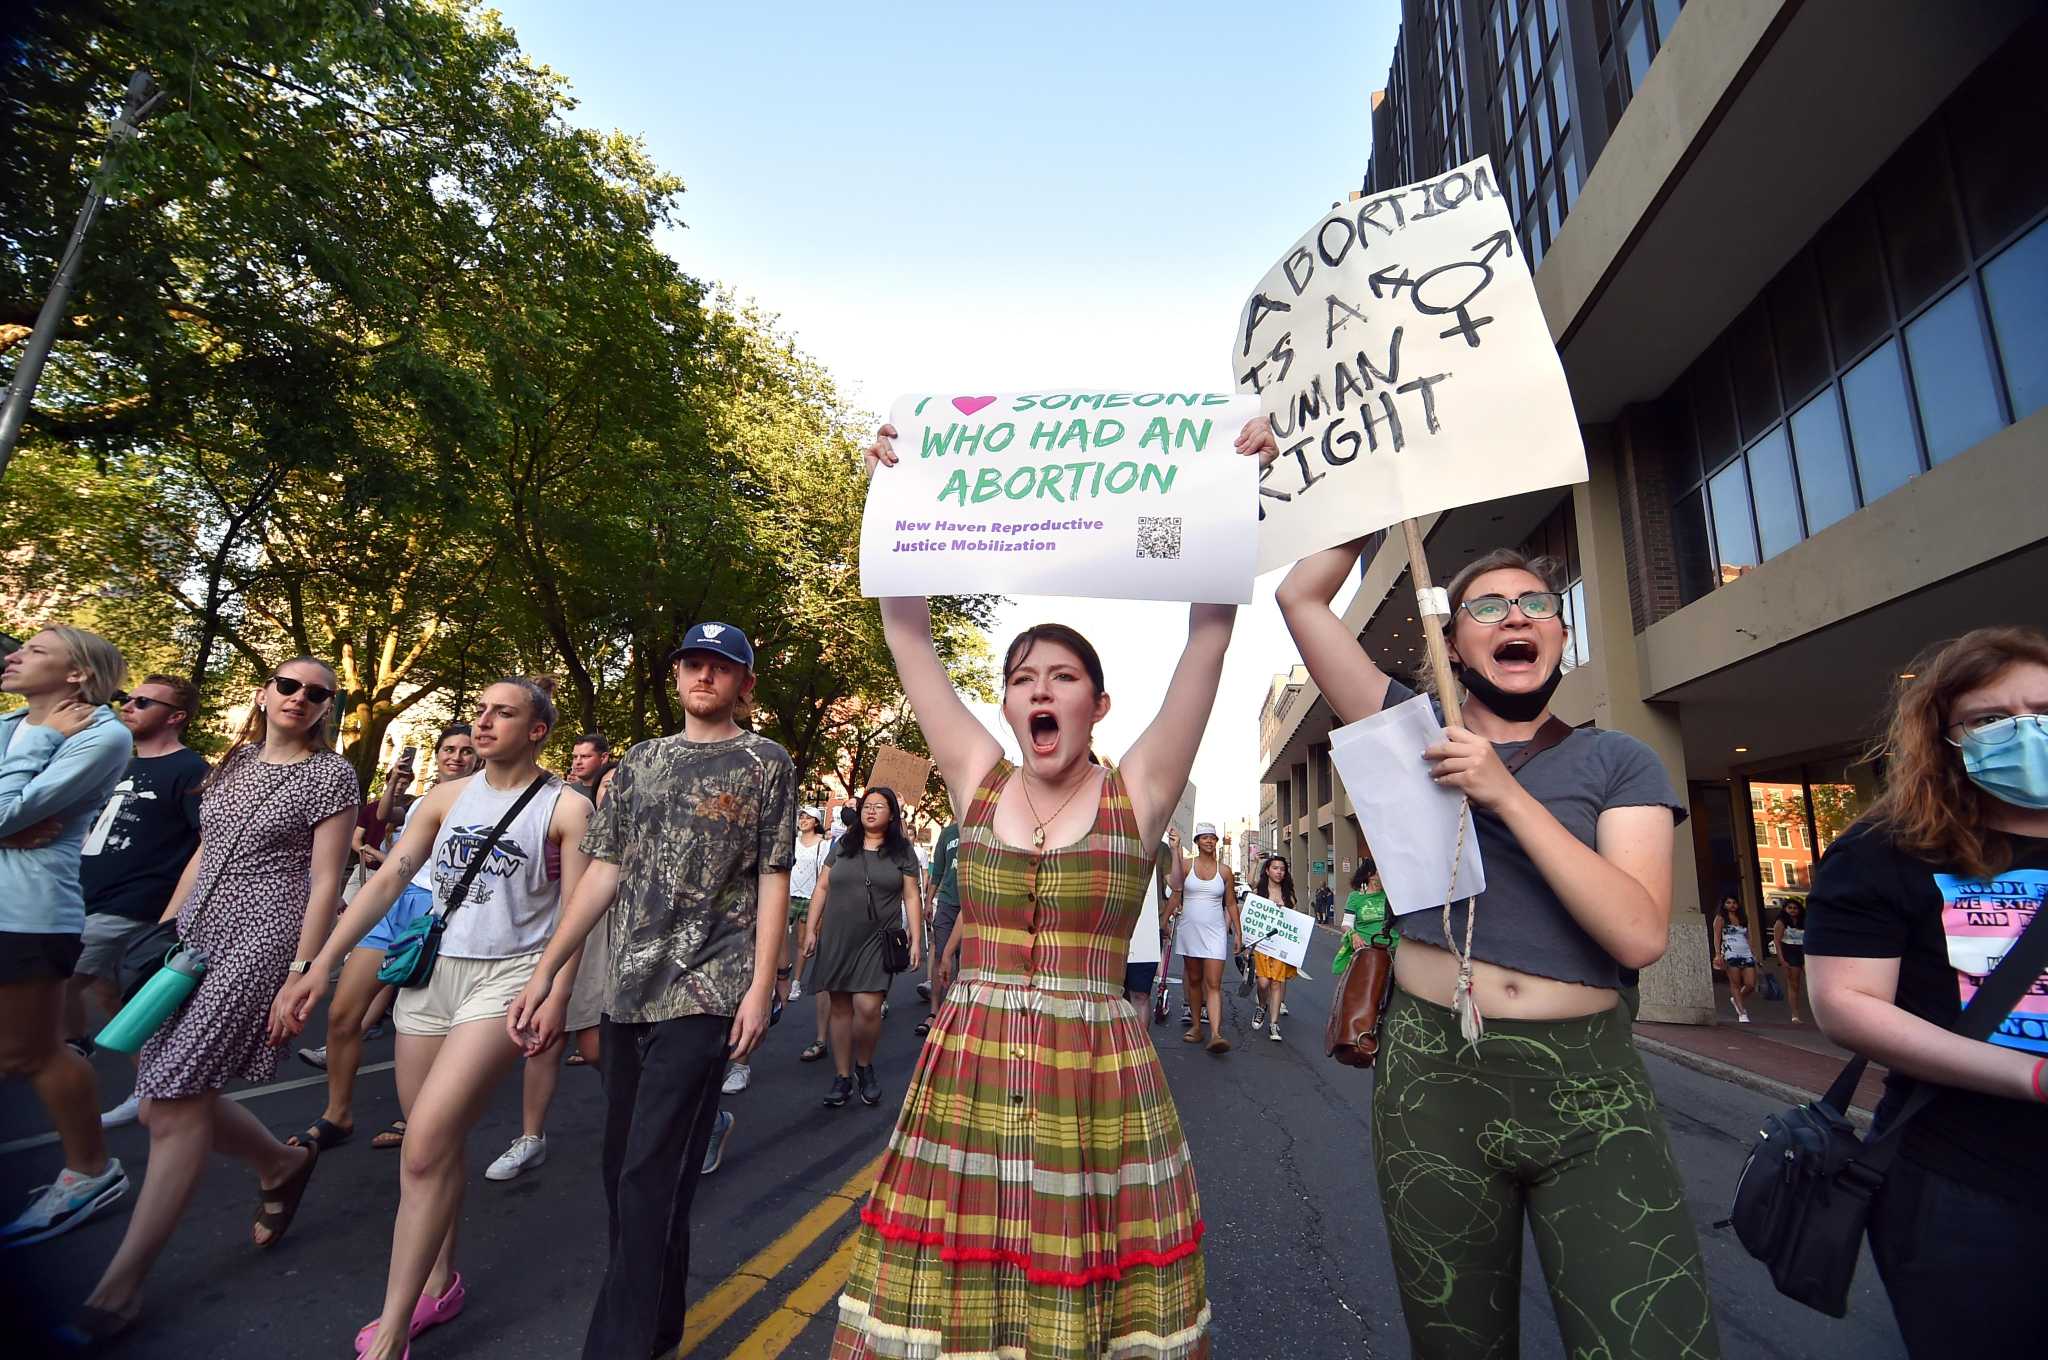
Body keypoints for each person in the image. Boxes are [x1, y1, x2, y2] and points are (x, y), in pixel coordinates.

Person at [1261, 446, 1719, 1358]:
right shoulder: (1410, 732)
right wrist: (1354, 467)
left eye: (1536, 604)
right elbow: (1299, 602)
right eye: (1488, 606)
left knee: (1654, 1338)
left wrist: (1505, 795)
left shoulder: (1616, 760)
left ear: (1559, 633)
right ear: (1456, 639)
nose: (1516, 617)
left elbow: (1635, 932)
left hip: (1588, 1088)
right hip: (1431, 1078)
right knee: (1456, 1340)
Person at [830, 426, 1223, 1359]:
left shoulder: (1142, 790)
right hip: (970, 1064)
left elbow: (1210, 631)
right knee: (962, 1282)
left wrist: (1228, 496)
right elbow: (904, 628)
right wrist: (893, 497)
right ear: (1005, 704)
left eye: (1062, 677)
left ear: (1097, 703)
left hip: (1096, 1073)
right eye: (1021, 679)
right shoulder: (978, 775)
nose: (1038, 690)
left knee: (1079, 1286)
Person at [273, 677, 590, 1360]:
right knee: (432, 1145)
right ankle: (440, 1281)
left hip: (505, 980)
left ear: (537, 731)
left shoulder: (567, 807)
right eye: (480, 711)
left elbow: (577, 911)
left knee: (421, 1146)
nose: (484, 722)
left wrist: (555, 989)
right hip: (430, 975)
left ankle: (391, 1330)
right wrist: (318, 963)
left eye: (503, 713)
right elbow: (389, 881)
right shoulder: (445, 798)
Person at [504, 621, 792, 1360]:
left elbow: (772, 877)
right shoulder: (637, 763)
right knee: (626, 1166)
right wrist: (548, 972)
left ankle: (617, 1346)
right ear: (676, 676)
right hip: (631, 988)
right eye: (693, 663)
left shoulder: (767, 762)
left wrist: (761, 986)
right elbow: (603, 869)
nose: (704, 675)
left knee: (648, 1168)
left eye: (721, 667)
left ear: (743, 685)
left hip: (710, 986)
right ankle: (661, 1320)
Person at [71, 656, 358, 1344]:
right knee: (164, 1092)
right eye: (287, 685)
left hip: (263, 939)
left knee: (170, 1104)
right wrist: (166, 929)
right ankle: (282, 1164)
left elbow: (326, 881)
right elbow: (205, 851)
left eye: (315, 693)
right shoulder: (234, 760)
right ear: (265, 693)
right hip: (194, 932)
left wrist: (302, 967)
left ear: (324, 709)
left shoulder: (331, 775)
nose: (298, 697)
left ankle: (121, 1287)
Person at [1803, 626, 2048, 1356]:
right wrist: (2031, 1076)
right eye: (1989, 718)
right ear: (1945, 736)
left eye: (2042, 708)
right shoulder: (1886, 851)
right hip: (1964, 1183)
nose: (2026, 731)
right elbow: (1847, 1003)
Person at [0, 628, 135, 1249]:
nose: (13, 656)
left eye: (34, 651)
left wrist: (43, 741)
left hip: (29, 913)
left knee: (32, 1053)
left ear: (77, 674)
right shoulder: (12, 721)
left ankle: (89, 1170)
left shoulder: (101, 733)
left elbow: (5, 815)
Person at [297, 723, 478, 1150]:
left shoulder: (484, 798)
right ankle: (337, 1114)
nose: (456, 756)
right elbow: (387, 822)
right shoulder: (427, 796)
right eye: (448, 748)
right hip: (395, 901)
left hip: (436, 912)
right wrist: (394, 790)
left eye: (466, 751)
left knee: (424, 1025)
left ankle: (419, 1117)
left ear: (479, 756)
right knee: (343, 1014)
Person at [68, 676, 209, 1130]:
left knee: (52, 985)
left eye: (143, 702)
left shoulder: (191, 771)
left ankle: (61, 1060)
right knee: (114, 1000)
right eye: (127, 698)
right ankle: (148, 1084)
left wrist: (176, 912)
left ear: (176, 717)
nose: (128, 705)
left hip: (132, 905)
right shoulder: (120, 763)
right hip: (83, 894)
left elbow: (208, 842)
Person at [485, 752, 618, 1179]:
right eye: (607, 786)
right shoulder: (570, 819)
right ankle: (530, 1138)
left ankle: (664, 1117)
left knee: (598, 1048)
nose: (613, 792)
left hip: (608, 942)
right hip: (552, 939)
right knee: (543, 1038)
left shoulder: (642, 835)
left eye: (621, 787)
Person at [803, 786, 923, 1106]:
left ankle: (864, 1066)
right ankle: (842, 1077)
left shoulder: (902, 852)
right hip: (838, 937)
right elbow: (822, 886)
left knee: (868, 1008)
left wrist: (916, 938)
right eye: (867, 805)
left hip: (877, 939)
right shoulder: (843, 845)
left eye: (879, 806)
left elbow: (912, 895)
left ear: (892, 814)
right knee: (840, 1008)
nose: (870, 811)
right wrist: (812, 930)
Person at [803, 803, 865, 1064]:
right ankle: (821, 1039)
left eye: (854, 807)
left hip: (867, 930)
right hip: (834, 925)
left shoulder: (888, 846)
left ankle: (855, 1045)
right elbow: (822, 886)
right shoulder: (837, 845)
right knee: (827, 984)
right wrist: (812, 927)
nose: (847, 811)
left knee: (857, 991)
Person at [1171, 821, 1240, 1052]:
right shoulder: (1186, 865)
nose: (1210, 841)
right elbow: (1174, 888)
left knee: (1213, 983)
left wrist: (1238, 933)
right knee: (1193, 980)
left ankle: (1216, 1033)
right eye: (1205, 837)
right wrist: (1174, 849)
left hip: (1215, 932)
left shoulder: (1225, 871)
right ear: (1197, 842)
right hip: (1190, 930)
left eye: (1213, 837)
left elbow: (1230, 903)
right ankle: (1196, 1027)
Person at [913, 818, 960, 1037]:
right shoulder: (948, 833)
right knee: (941, 954)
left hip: (973, 905)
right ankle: (934, 1012)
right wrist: (928, 901)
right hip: (947, 903)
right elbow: (938, 871)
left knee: (968, 960)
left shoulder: (985, 828)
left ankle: (959, 1011)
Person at [1249, 852, 1299, 1041]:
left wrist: (1284, 909)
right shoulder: (1259, 891)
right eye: (1275, 868)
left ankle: (1274, 1024)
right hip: (1262, 944)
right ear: (1268, 871)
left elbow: (1294, 920)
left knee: (1277, 982)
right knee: (1263, 983)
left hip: (1279, 945)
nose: (1279, 872)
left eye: (1282, 869)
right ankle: (1262, 1006)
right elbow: (1251, 913)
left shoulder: (1289, 895)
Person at [1332, 858, 1396, 976]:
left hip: (1394, 948)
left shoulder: (1393, 895)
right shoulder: (1355, 897)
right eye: (1382, 870)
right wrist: (1353, 935)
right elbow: (1346, 924)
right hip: (1368, 949)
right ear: (1370, 875)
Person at [1713, 895, 1757, 1023]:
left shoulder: (1742, 918)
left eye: (1734, 903)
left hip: (1746, 952)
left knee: (1750, 984)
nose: (1732, 905)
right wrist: (1717, 954)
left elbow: (1748, 936)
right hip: (1730, 952)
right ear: (1724, 904)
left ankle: (1737, 999)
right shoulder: (1720, 919)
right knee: (1735, 983)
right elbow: (1716, 937)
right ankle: (1742, 1012)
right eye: (1728, 903)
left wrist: (1753, 953)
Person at [1772, 897, 1807, 1024]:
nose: (1792, 910)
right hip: (1789, 952)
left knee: (1812, 980)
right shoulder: (1781, 922)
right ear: (1785, 909)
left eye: (1795, 908)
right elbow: (1777, 941)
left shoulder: (1803, 921)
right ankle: (1795, 1014)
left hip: (1803, 951)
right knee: (1794, 984)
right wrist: (1781, 959)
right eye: (1790, 908)